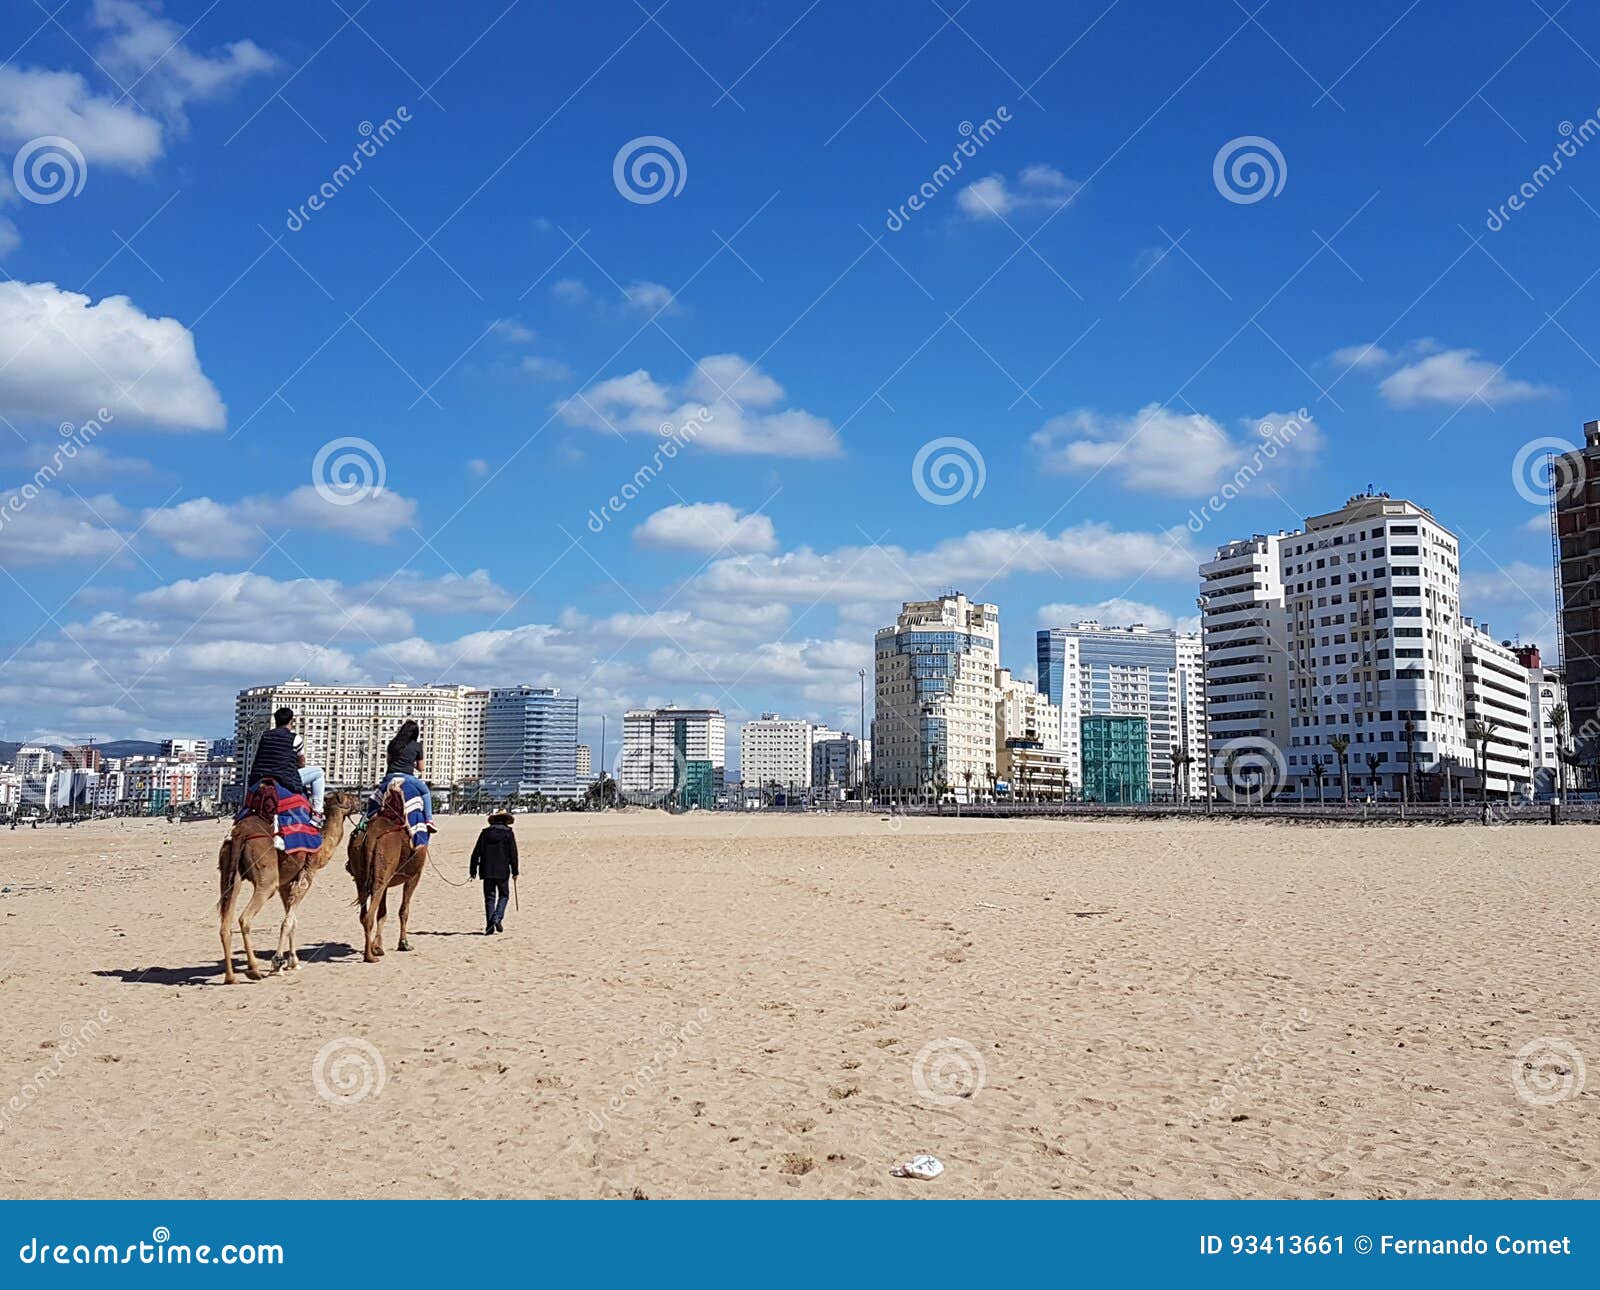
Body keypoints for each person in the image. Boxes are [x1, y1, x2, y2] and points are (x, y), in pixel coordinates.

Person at [469, 811, 518, 935]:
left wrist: (473, 870)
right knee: (504, 895)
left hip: (487, 870)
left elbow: (476, 852)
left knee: (489, 898)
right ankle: (497, 917)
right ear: (506, 820)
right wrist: (515, 871)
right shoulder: (508, 833)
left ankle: (490, 927)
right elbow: (513, 853)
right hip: (502, 871)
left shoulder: (485, 833)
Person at [247, 707, 306, 800]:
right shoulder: (295, 738)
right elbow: (302, 763)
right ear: (291, 721)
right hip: (285, 778)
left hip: (259, 778)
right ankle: (317, 810)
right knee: (318, 773)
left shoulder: (265, 736)